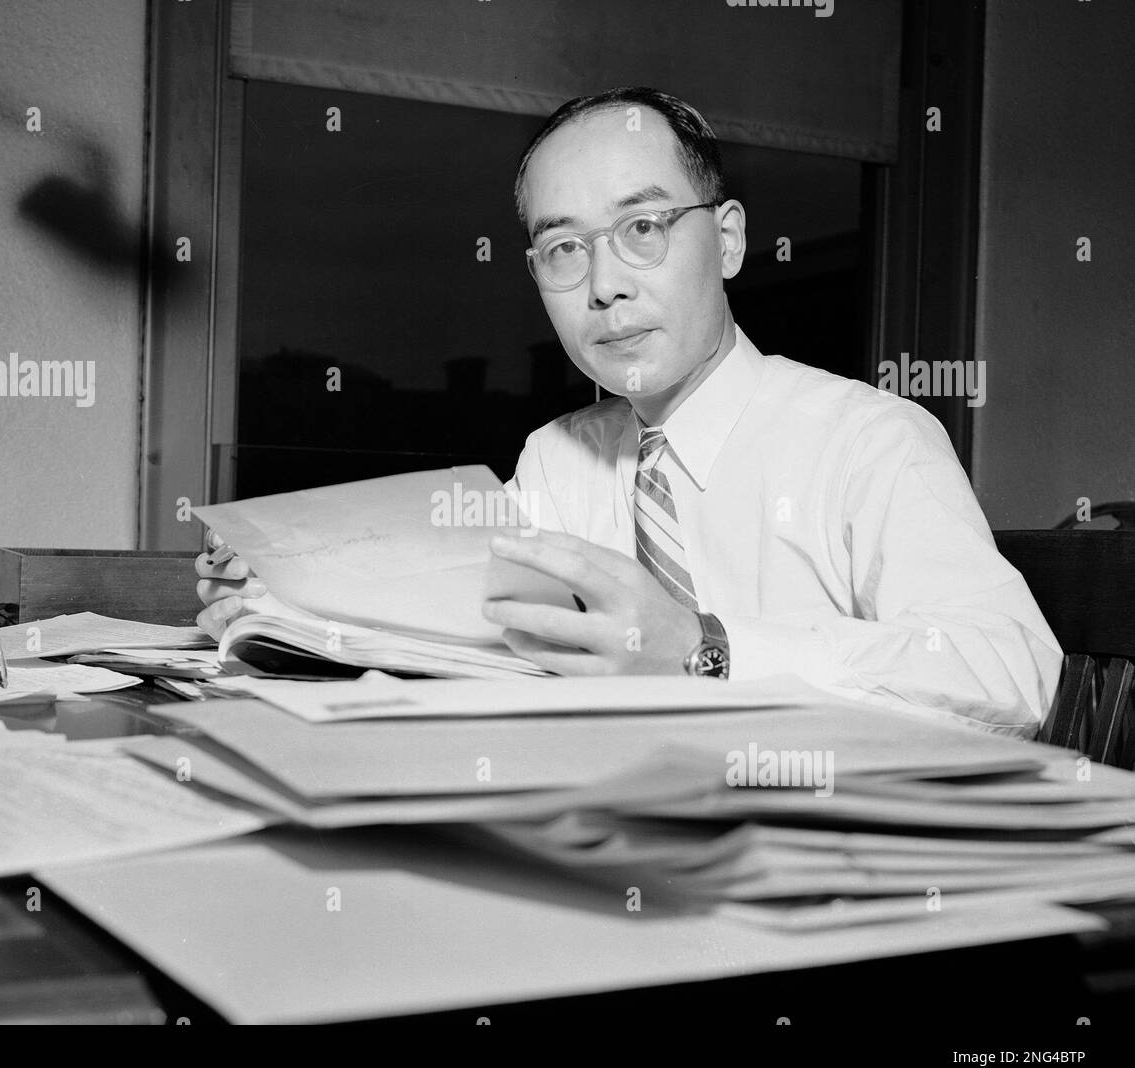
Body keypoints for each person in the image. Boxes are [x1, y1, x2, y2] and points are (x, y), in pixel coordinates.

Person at [197, 87, 1062, 739]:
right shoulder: (556, 458)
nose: (605, 284)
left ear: (727, 241)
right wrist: (285, 605)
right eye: (565, 248)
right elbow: (470, 637)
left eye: (643, 227)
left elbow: (1015, 673)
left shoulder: (870, 441)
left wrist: (706, 651)